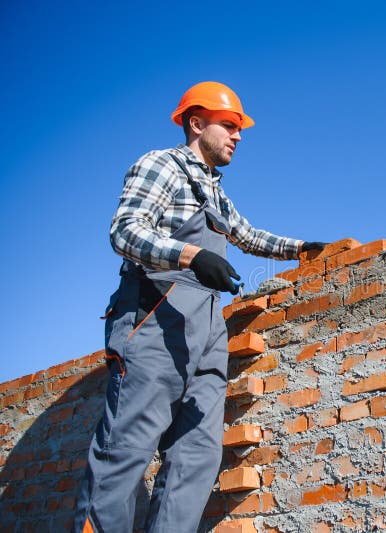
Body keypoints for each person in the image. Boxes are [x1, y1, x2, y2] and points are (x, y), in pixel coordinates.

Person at [74, 81, 328, 533]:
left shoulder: (215, 192)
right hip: (155, 319)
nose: (238, 135)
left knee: (197, 455)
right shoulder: (162, 165)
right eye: (230, 124)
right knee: (125, 450)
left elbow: (249, 236)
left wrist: (304, 248)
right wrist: (191, 256)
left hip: (207, 332)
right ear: (196, 122)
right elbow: (125, 231)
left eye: (239, 128)